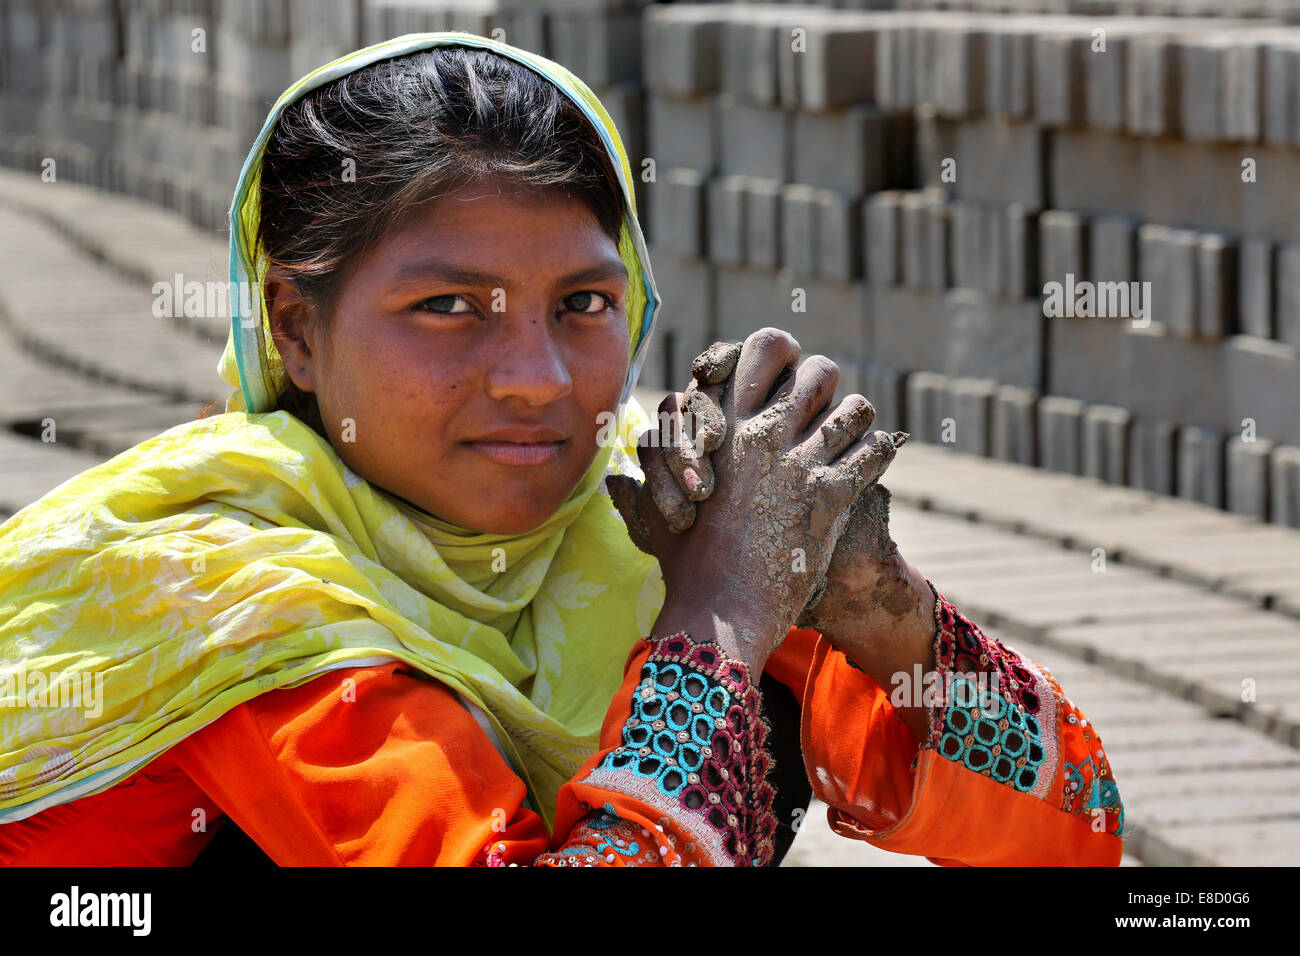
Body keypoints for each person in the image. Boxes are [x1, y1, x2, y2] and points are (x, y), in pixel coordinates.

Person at [0, 33, 1123, 866]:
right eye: (449, 306)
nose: (536, 377)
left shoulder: (635, 523)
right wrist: (719, 619)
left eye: (583, 302)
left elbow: (1073, 838)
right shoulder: (228, 602)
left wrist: (882, 611)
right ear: (295, 328)